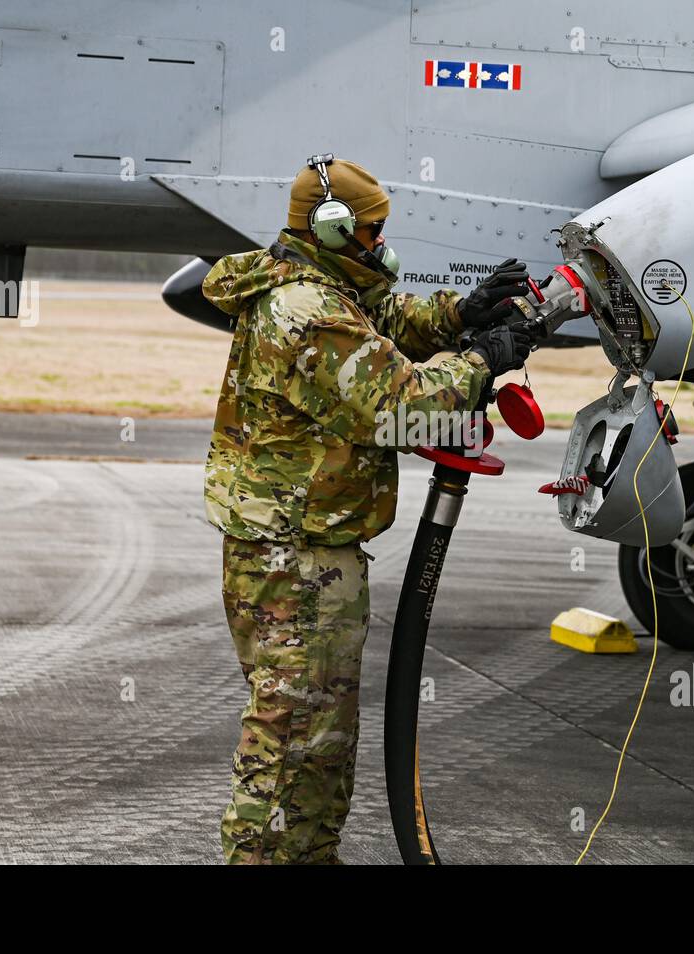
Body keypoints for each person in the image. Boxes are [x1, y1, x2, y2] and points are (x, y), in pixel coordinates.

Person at [202, 155, 533, 863]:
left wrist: (461, 313)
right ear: (333, 230)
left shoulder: (315, 287)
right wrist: (481, 358)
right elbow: (403, 406)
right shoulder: (307, 312)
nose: (383, 244)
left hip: (293, 554)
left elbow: (382, 323)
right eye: (373, 231)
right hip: (296, 564)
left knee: (317, 743)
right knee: (290, 750)